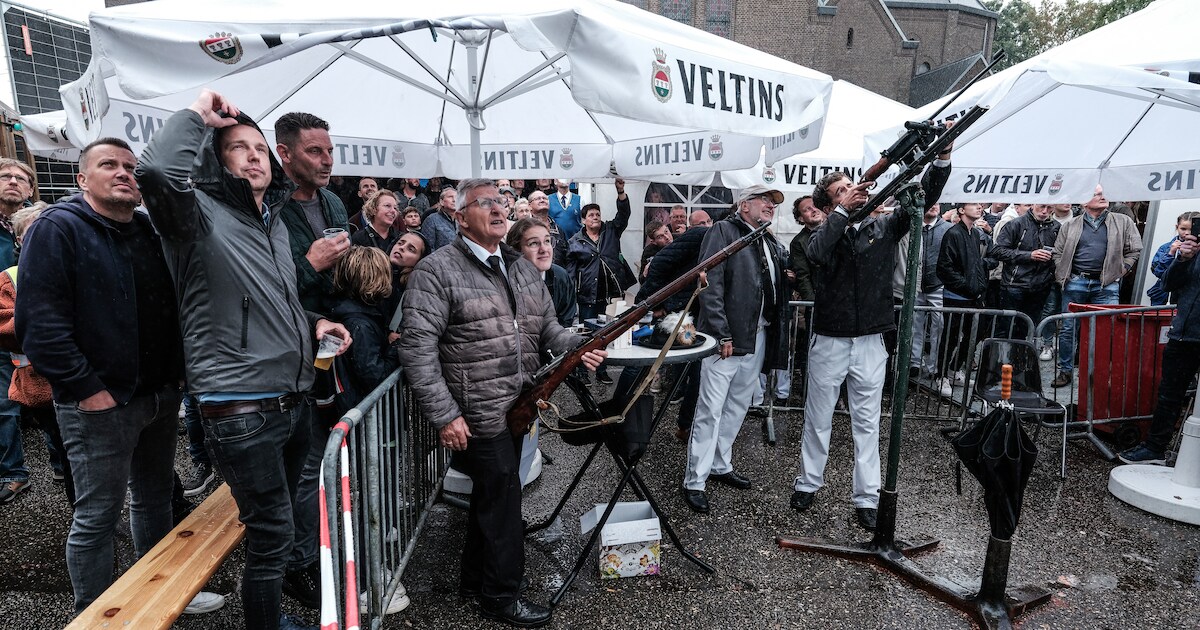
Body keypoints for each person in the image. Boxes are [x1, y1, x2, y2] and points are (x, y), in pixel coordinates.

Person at [135, 89, 353, 630]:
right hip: (240, 407)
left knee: (277, 528)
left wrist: (313, 323)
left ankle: (271, 611)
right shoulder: (195, 216)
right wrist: (197, 114)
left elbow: (273, 301)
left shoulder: (272, 221)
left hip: (291, 399)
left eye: (260, 148)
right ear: (215, 159)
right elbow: (157, 172)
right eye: (239, 148)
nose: (254, 156)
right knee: (272, 533)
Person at [16, 138, 227, 616]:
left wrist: (176, 376)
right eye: (108, 164)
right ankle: (95, 616)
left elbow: (173, 305)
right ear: (82, 179)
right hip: (99, 403)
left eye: (131, 167)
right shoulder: (58, 228)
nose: (123, 173)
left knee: (154, 499)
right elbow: (39, 326)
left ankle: (159, 593)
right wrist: (88, 391)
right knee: (98, 516)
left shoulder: (147, 229)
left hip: (158, 395)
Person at [400, 178, 604, 628]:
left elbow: (548, 328)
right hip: (475, 411)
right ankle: (501, 596)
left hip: (518, 405)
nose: (497, 209)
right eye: (484, 203)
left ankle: (475, 581)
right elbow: (417, 349)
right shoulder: (437, 270)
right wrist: (445, 415)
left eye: (500, 201)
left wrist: (578, 346)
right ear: (460, 217)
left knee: (491, 499)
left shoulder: (521, 268)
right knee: (505, 505)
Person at [792, 148, 951, 532]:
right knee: (818, 417)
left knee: (867, 422)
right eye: (841, 191)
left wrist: (942, 159)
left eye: (852, 185)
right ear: (828, 206)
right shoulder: (824, 232)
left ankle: (866, 496)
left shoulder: (884, 227)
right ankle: (808, 482)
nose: (853, 191)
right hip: (830, 337)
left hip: (871, 340)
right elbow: (817, 254)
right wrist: (842, 213)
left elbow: (926, 195)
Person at [682, 185, 787, 514]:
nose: (770, 206)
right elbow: (710, 284)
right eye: (764, 200)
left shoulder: (767, 239)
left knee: (738, 406)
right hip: (726, 339)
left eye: (773, 203)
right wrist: (721, 333)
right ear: (744, 205)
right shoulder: (723, 231)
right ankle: (695, 480)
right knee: (710, 410)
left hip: (757, 336)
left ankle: (719, 464)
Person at [1120, 228, 1200, 464]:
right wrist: (1183, 259)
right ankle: (1155, 448)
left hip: (1188, 332)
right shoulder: (1193, 251)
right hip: (1184, 336)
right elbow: (1167, 284)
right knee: (1169, 395)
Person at [1050, 185, 1142, 387]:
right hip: (1075, 283)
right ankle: (1065, 371)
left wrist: (1122, 270)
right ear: (1084, 201)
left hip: (1106, 285)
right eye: (1096, 194)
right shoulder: (1071, 225)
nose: (1103, 196)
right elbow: (1058, 252)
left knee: (1106, 330)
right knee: (1068, 329)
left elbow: (1135, 249)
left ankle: (1098, 373)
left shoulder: (1123, 221)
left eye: (1104, 193)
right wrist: (1064, 275)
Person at [274, 112, 351, 315]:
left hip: (339, 321)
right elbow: (262, 289)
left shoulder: (333, 201)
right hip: (294, 325)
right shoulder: (268, 208)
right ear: (285, 153)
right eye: (315, 151)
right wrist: (311, 264)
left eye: (330, 151)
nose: (328, 161)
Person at [565, 181, 635, 383]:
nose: (595, 217)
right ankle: (582, 371)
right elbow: (570, 273)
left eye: (597, 214)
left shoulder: (611, 230)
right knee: (586, 334)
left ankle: (602, 370)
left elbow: (624, 214)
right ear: (583, 220)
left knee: (605, 333)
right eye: (591, 215)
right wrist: (571, 295)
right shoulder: (575, 242)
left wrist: (621, 192)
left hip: (610, 294)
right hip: (587, 294)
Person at [329, 246, 399, 410]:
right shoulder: (359, 325)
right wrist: (396, 348)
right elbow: (375, 378)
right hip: (362, 411)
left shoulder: (346, 312)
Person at [0, 158, 33, 505]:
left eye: (20, 178)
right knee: (3, 405)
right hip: (3, 328)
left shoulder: (43, 221)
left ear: (30, 188)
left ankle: (62, 465)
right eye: (5, 176)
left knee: (51, 399)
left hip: (41, 332)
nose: (13, 181)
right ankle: (12, 473)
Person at [937, 203, 998, 383]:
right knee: (951, 337)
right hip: (956, 296)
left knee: (975, 333)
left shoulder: (975, 234)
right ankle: (941, 376)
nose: (979, 207)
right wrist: (967, 285)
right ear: (962, 210)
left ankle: (954, 369)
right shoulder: (954, 233)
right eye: (974, 204)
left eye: (980, 205)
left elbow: (977, 262)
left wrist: (976, 281)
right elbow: (944, 267)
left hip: (973, 295)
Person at [992, 203, 1060, 339]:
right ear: (1033, 205)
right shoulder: (1016, 224)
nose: (1045, 211)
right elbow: (998, 251)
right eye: (1042, 207)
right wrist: (1029, 255)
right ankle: (1004, 353)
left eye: (1049, 208)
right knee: (1006, 328)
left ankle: (1023, 352)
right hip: (1014, 284)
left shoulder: (1056, 227)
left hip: (1041, 285)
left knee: (1028, 329)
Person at [910, 200, 953, 396]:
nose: (934, 206)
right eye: (931, 202)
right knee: (914, 324)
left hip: (938, 283)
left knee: (939, 325)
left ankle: (934, 366)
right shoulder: (913, 225)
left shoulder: (947, 229)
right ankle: (914, 362)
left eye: (937, 203)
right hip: (915, 284)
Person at [507, 218, 576, 328]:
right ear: (516, 251)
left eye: (547, 241)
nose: (544, 249)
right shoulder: (507, 283)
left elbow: (565, 321)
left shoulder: (561, 277)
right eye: (534, 243)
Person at [1147, 212, 1199, 306]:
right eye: (1183, 229)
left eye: (1191, 229)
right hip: (1163, 297)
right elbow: (1158, 272)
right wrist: (1171, 253)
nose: (1187, 233)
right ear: (1177, 227)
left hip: (1187, 297)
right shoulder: (1166, 248)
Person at [351, 189, 401, 254]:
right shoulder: (359, 238)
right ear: (373, 209)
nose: (393, 211)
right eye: (387, 206)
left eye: (395, 208)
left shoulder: (400, 238)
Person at [527, 190, 568, 266]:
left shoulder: (558, 229)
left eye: (545, 198)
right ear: (529, 206)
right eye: (538, 198)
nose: (542, 200)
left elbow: (566, 254)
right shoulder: (524, 227)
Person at [421, 186, 459, 251]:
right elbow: (428, 248)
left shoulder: (462, 221)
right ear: (441, 202)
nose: (454, 200)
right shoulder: (431, 220)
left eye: (457, 198)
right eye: (450, 197)